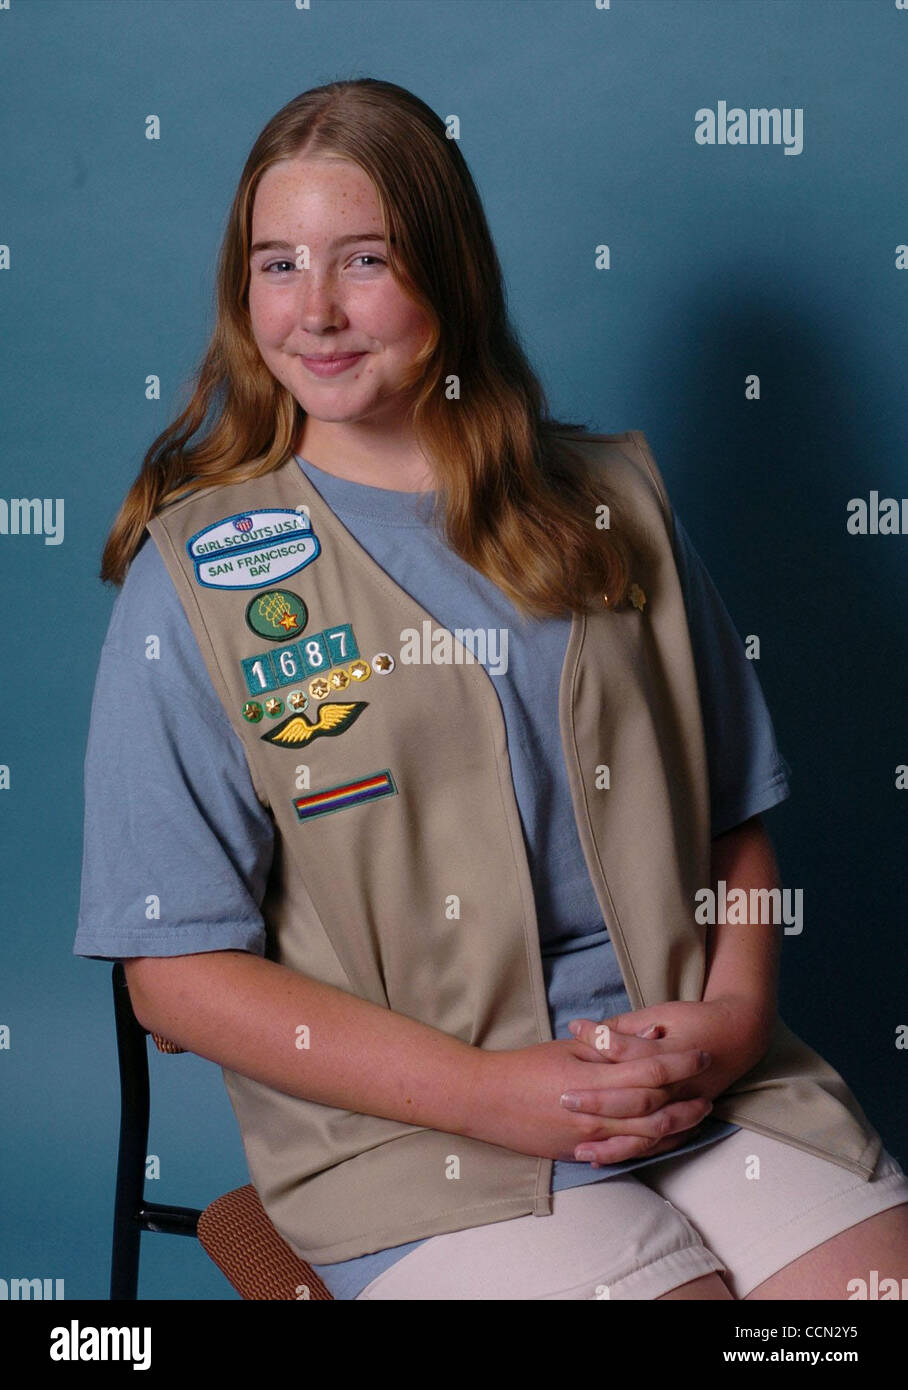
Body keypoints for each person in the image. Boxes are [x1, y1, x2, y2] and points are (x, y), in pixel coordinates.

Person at [74, 78, 908, 1301]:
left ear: (448, 271)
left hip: (704, 1084)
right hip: (416, 1137)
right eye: (275, 264)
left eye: (363, 259)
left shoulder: (616, 499)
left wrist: (728, 1025)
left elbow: (730, 820)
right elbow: (175, 976)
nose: (312, 310)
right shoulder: (197, 578)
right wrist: (492, 1093)